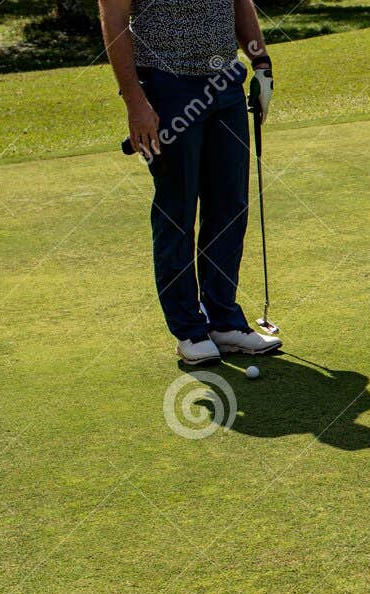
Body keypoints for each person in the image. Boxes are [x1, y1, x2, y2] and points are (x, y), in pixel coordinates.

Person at [99, 0, 282, 364]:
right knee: (177, 211)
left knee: (230, 207)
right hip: (167, 87)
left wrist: (261, 62)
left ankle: (224, 321)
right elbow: (114, 21)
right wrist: (135, 102)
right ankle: (189, 330)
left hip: (226, 84)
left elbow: (239, 3)